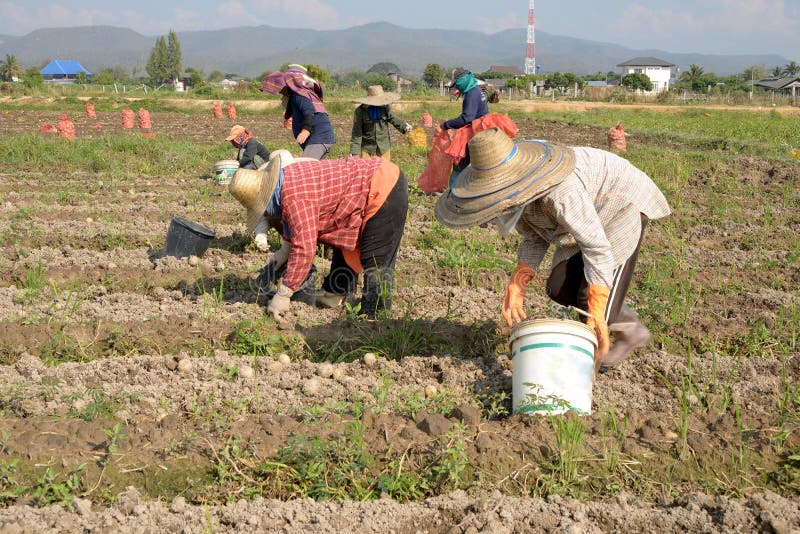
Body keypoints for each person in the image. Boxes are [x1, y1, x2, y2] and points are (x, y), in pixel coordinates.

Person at [435, 128, 671, 370]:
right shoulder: (519, 193)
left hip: (619, 205)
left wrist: (598, 302)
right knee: (558, 287)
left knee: (591, 302)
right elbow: (535, 235)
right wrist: (520, 278)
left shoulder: (559, 192)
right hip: (589, 214)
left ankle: (592, 366)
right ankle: (624, 323)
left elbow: (596, 246)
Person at [229, 151, 408, 320]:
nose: (266, 216)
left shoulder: (294, 199)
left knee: (375, 259)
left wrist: (284, 294)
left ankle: (375, 318)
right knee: (341, 245)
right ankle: (334, 295)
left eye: (262, 211)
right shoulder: (284, 182)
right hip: (357, 191)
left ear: (266, 202)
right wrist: (273, 265)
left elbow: (304, 248)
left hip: (383, 185)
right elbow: (290, 243)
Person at [260, 67, 335, 160]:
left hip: (319, 139)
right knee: (314, 170)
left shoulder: (299, 95)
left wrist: (305, 131)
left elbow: (309, 111)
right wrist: (287, 116)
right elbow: (290, 110)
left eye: (281, 89)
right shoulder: (295, 97)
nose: (280, 92)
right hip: (321, 139)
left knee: (305, 167)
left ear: (287, 86)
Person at [440, 67, 489, 172]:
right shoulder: (475, 89)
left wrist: (446, 125)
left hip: (475, 133)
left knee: (461, 165)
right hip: (480, 130)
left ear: (463, 80)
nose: (457, 86)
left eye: (457, 83)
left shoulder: (471, 94)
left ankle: (456, 187)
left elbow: (467, 118)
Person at [350, 85, 412, 161]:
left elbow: (393, 118)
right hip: (367, 146)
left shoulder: (385, 108)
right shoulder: (360, 111)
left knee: (384, 168)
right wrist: (354, 152)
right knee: (366, 169)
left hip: (383, 144)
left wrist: (404, 126)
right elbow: (357, 133)